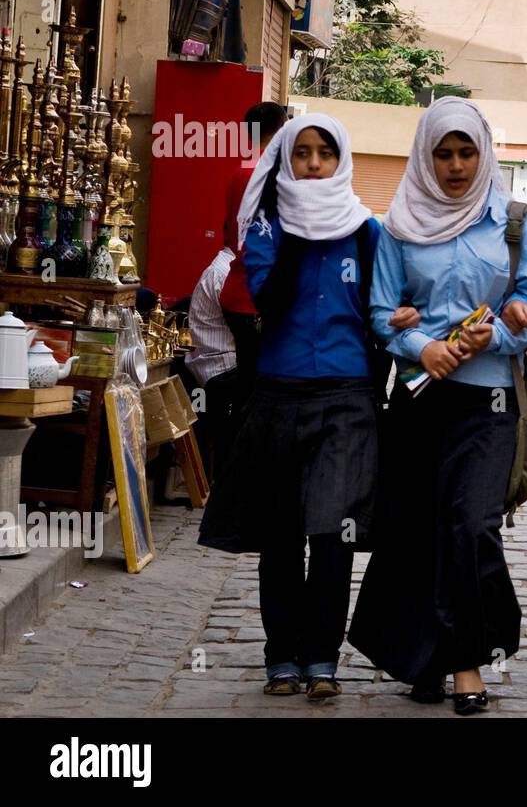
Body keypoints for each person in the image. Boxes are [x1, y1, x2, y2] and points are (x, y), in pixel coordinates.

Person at [348, 97, 527, 717]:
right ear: (425, 155)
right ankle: (428, 658)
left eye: (467, 152)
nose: (457, 165)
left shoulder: (516, 222)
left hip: (490, 403)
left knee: (471, 525)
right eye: (444, 153)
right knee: (418, 533)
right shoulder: (400, 226)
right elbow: (383, 313)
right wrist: (421, 344)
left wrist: (511, 327)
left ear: (484, 153)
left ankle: (467, 661)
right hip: (417, 399)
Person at [198, 114, 380, 704]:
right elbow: (266, 303)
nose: (313, 164)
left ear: (341, 160)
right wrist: (301, 229)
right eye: (301, 153)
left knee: (332, 534)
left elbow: (379, 315)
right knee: (281, 537)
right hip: (277, 395)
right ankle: (281, 658)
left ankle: (323, 659)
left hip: (346, 400)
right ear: (284, 161)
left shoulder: (365, 233)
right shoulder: (267, 232)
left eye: (325, 153)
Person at [219, 101, 287, 426]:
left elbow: (232, 237)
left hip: (238, 292)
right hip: (257, 300)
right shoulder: (271, 175)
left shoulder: (239, 172)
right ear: (282, 129)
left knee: (249, 386)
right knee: (262, 394)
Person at [184, 246, 237, 477]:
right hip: (218, 366)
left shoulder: (229, 268)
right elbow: (247, 330)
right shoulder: (225, 273)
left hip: (220, 360)